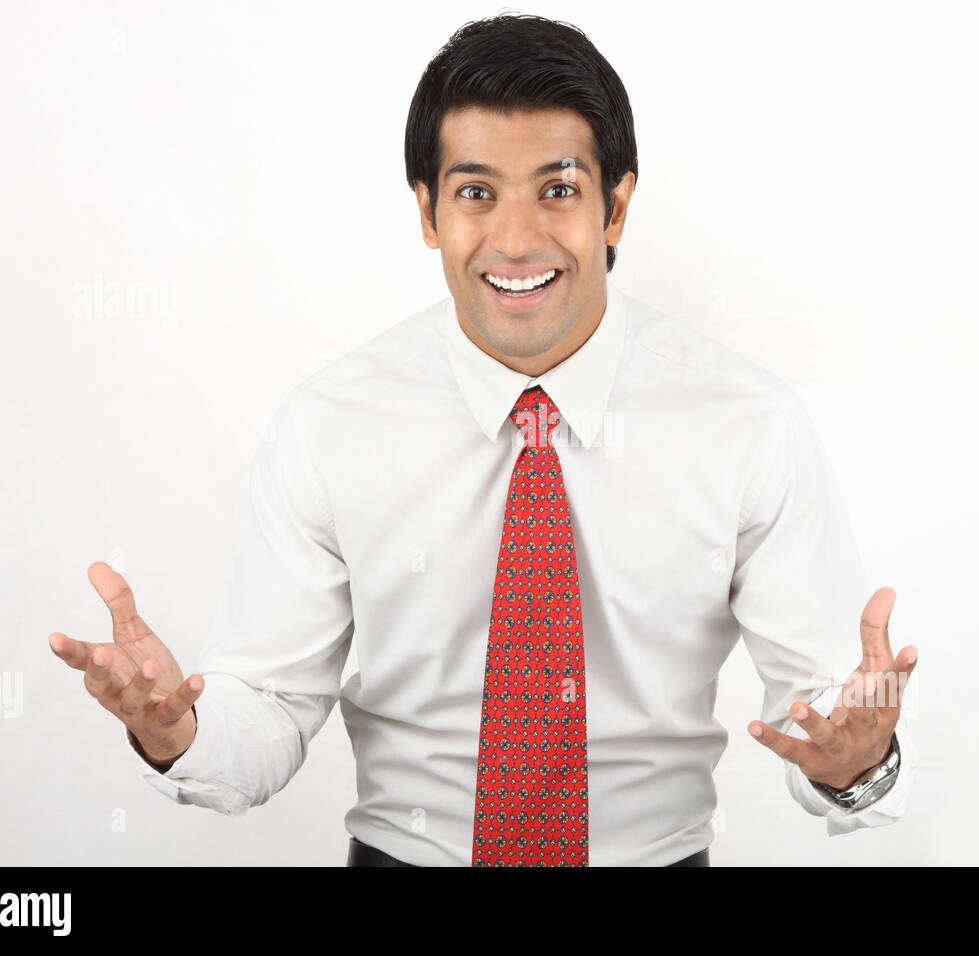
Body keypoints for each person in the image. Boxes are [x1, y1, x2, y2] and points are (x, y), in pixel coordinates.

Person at [49, 13, 919, 867]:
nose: (514, 239)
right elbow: (269, 709)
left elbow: (830, 711)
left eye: (558, 189)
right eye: (474, 193)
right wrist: (180, 732)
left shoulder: (746, 423)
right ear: (428, 211)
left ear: (615, 205)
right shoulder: (328, 425)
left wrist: (855, 763)